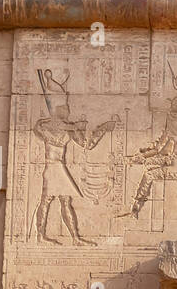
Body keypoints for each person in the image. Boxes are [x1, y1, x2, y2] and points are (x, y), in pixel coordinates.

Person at [33, 69, 118, 246]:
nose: (68, 110)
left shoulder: (66, 127)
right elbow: (47, 135)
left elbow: (88, 145)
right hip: (52, 167)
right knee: (47, 200)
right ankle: (40, 236)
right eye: (64, 108)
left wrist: (102, 129)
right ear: (56, 110)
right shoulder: (48, 126)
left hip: (60, 167)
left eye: (67, 107)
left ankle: (75, 238)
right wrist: (68, 128)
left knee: (65, 201)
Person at [123, 60, 177, 219]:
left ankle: (135, 208)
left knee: (150, 174)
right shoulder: (171, 133)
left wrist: (172, 155)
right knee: (147, 166)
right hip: (170, 160)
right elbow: (158, 148)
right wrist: (138, 157)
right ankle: (135, 207)